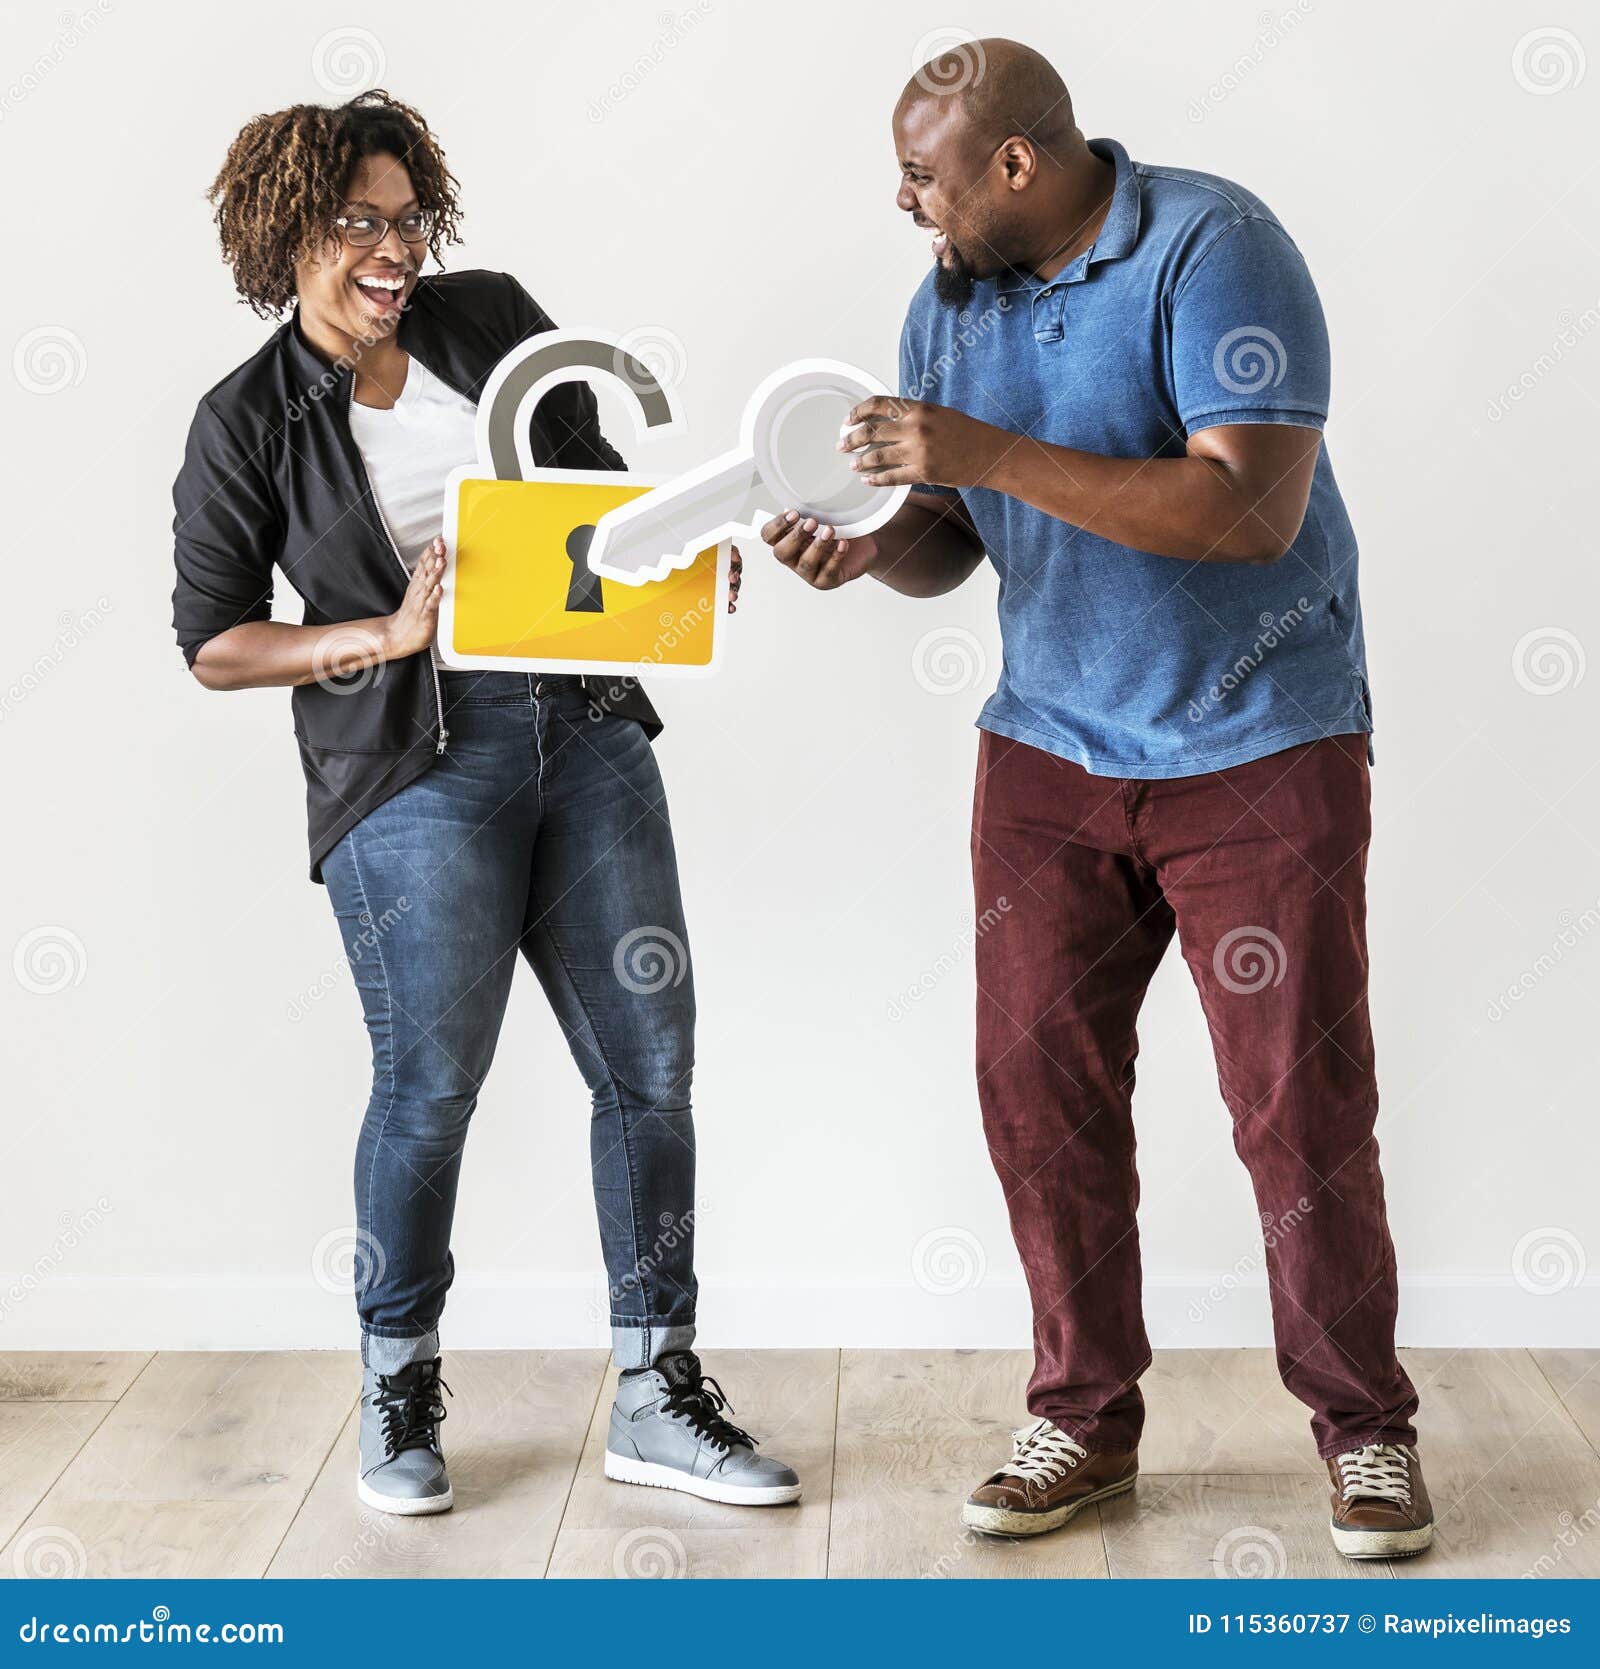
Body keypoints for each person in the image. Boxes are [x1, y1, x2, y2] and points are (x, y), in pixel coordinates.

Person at [762, 39, 1430, 1560]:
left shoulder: (1216, 245)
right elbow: (953, 533)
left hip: (1257, 742)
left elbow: (1248, 509)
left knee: (1296, 1104)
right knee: (1037, 1090)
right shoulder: (950, 300)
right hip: (1050, 752)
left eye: (922, 176)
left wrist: (984, 450)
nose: (905, 204)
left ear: (1014, 162)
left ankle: (1367, 1431)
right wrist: (868, 547)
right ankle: (1083, 1415)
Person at [172, 90, 794, 1516]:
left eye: (409, 221)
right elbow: (214, 641)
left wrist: (677, 563)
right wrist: (381, 636)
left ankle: (657, 1392)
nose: (395, 250)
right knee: (432, 1084)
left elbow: (595, 508)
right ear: (286, 234)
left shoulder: (492, 319)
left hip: (585, 731)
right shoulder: (246, 420)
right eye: (359, 224)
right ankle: (398, 1387)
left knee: (651, 1065)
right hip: (412, 769)